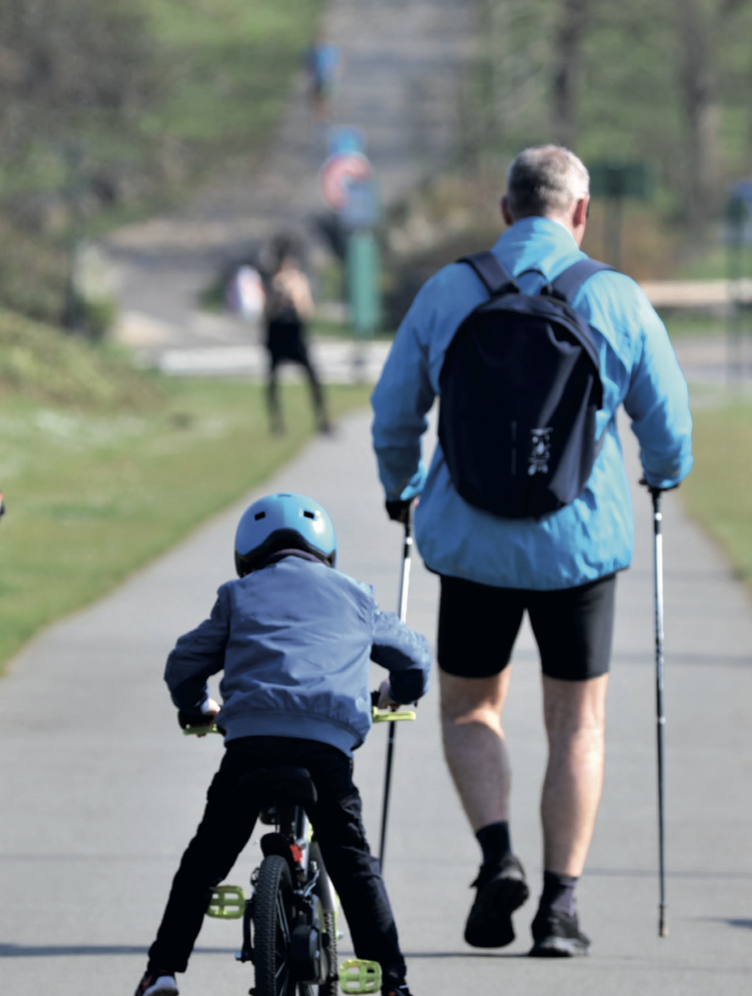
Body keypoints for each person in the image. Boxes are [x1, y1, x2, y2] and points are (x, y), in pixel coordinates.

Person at [370, 145, 693, 958]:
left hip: (472, 548)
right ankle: (559, 908)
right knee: (577, 723)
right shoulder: (613, 297)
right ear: (579, 214)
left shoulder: (449, 291)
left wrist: (400, 487)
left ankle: (495, 856)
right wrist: (662, 475)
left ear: (505, 211)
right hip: (577, 553)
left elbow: (393, 410)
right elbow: (670, 428)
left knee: (470, 707)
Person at [133, 492, 432, 996]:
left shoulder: (237, 596)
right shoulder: (356, 595)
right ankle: (393, 983)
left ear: (246, 556)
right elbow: (415, 661)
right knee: (354, 863)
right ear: (327, 552)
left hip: (252, 744)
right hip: (325, 748)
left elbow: (184, 663)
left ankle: (162, 972)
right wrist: (393, 693)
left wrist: (196, 707)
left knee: (206, 858)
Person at [262, 235, 332, 436]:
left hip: (295, 334)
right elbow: (265, 314)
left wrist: (293, 297)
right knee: (272, 380)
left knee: (313, 376)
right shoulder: (272, 282)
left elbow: (307, 312)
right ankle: (277, 423)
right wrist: (276, 299)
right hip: (277, 334)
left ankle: (323, 418)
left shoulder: (299, 281)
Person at [305, 31, 342, 123]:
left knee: (325, 100)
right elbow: (308, 65)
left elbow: (339, 62)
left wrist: (336, 74)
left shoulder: (330, 50)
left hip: (327, 80)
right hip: (316, 79)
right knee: (316, 100)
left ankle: (325, 119)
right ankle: (318, 119)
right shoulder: (312, 51)